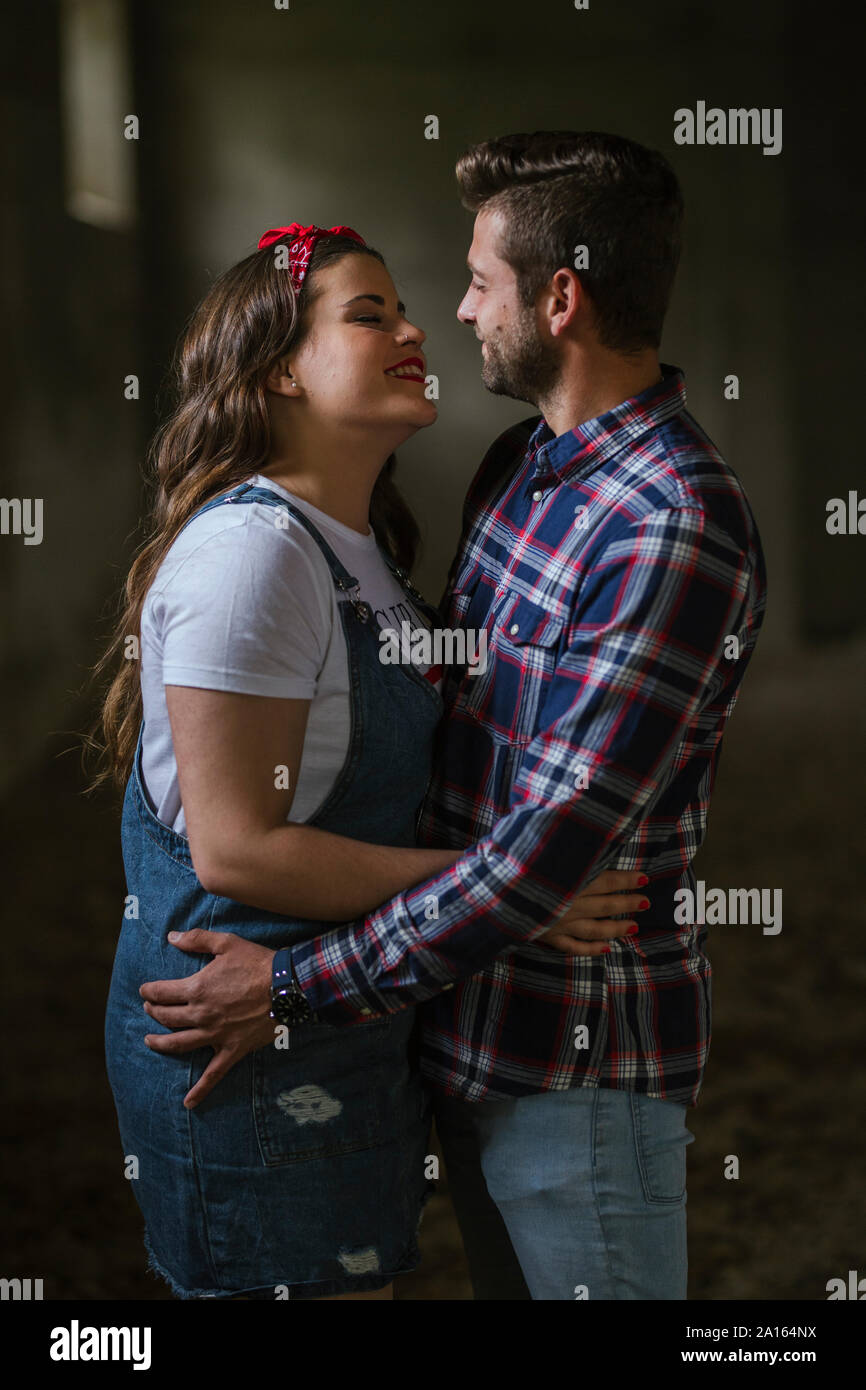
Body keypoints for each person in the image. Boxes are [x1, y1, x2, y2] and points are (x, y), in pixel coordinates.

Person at [142, 133, 768, 1301]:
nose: (460, 311)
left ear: (560, 297)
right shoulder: (514, 467)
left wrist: (286, 990)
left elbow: (540, 865)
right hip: (450, 1032)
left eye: (478, 282)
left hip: (573, 1065)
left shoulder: (668, 524)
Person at [97, 219, 646, 1302]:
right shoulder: (252, 554)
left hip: (335, 1023)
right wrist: (515, 889)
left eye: (402, 308)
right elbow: (239, 850)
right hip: (241, 1047)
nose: (413, 328)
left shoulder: (356, 545)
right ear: (277, 370)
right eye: (368, 315)